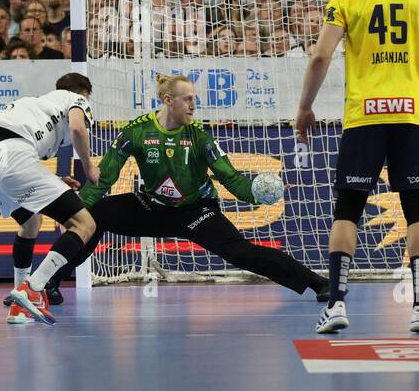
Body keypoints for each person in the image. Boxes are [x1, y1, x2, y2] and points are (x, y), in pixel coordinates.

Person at [295, 0, 419, 335]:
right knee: (418, 214)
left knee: (347, 210)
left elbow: (320, 57)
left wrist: (304, 107)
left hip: (364, 118)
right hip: (410, 117)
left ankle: (335, 303)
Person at [49, 74, 329, 307]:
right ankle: (49, 283)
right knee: (92, 218)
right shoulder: (137, 131)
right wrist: (78, 212)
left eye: (195, 99)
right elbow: (104, 177)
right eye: (188, 99)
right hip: (151, 208)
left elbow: (232, 179)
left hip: (197, 212)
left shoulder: (199, 138)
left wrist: (257, 192)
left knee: (242, 253)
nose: (194, 106)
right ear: (168, 100)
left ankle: (318, 284)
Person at [0, 74, 101, 324]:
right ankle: (34, 287)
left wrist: (57, 180)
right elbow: (77, 128)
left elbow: (14, 153)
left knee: (30, 223)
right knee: (85, 224)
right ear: (84, 94)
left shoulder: (33, 104)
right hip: (17, 161)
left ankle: (19, 305)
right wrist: (89, 167)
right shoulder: (76, 99)